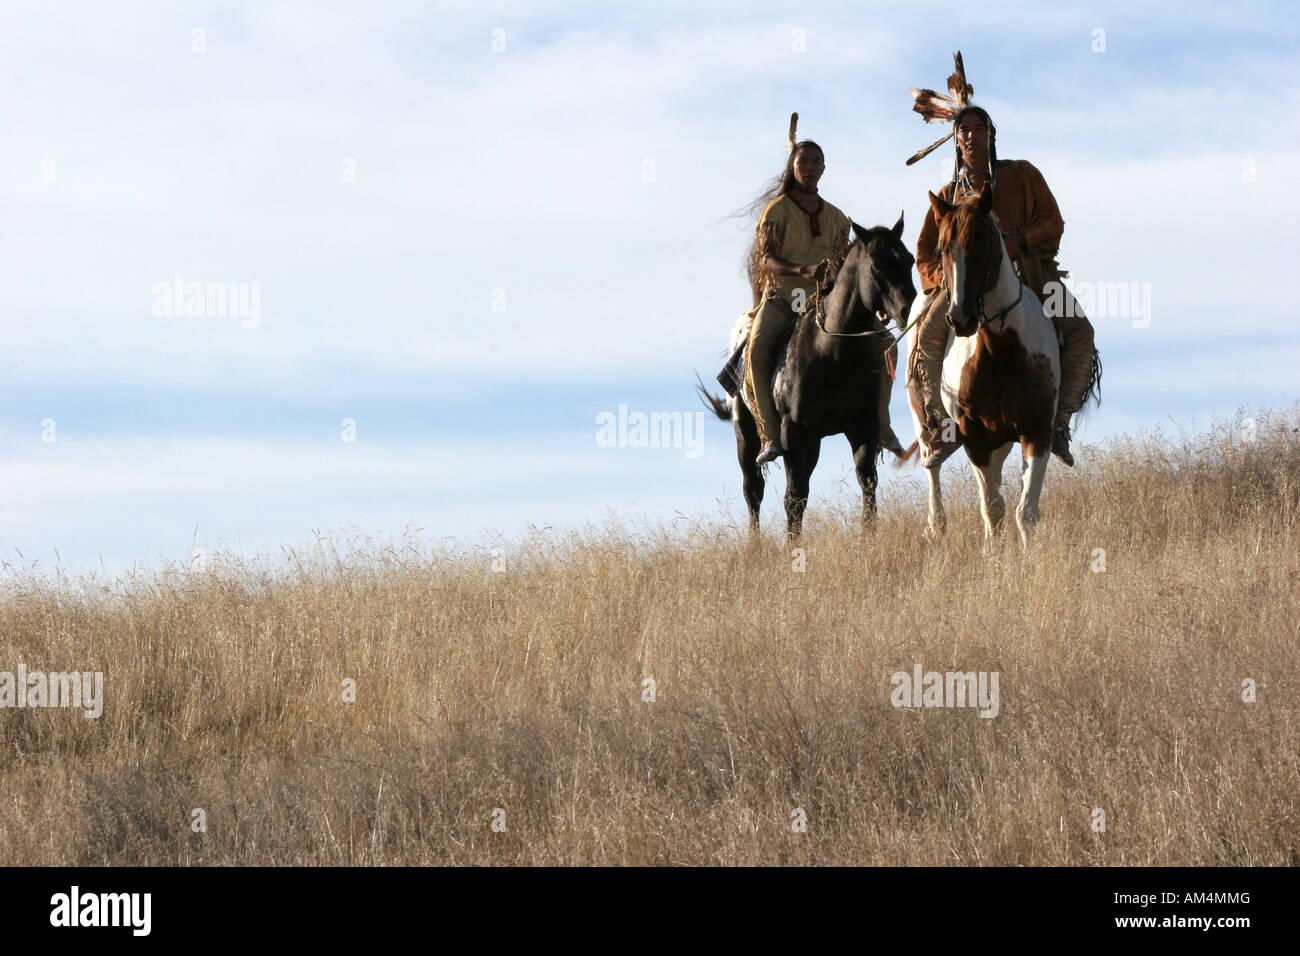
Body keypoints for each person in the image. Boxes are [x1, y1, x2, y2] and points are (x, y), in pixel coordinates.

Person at [911, 105, 1098, 468]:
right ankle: (942, 428)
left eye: (976, 129)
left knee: (1079, 332)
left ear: (990, 135)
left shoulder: (1022, 175)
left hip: (1033, 275)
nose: (969, 136)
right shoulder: (948, 196)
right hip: (964, 288)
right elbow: (923, 253)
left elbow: (1052, 220)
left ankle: (1058, 424)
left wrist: (1018, 241)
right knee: (926, 338)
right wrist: (947, 279)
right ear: (954, 141)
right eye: (961, 130)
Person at [743, 126, 904, 465]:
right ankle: (771, 434)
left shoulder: (836, 217)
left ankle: (883, 426)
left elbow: (848, 268)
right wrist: (801, 270)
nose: (810, 167)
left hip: (824, 300)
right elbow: (766, 259)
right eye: (804, 161)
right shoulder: (776, 210)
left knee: (887, 344)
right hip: (784, 298)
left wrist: (878, 303)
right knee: (756, 350)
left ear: (824, 169)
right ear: (793, 166)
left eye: (817, 161)